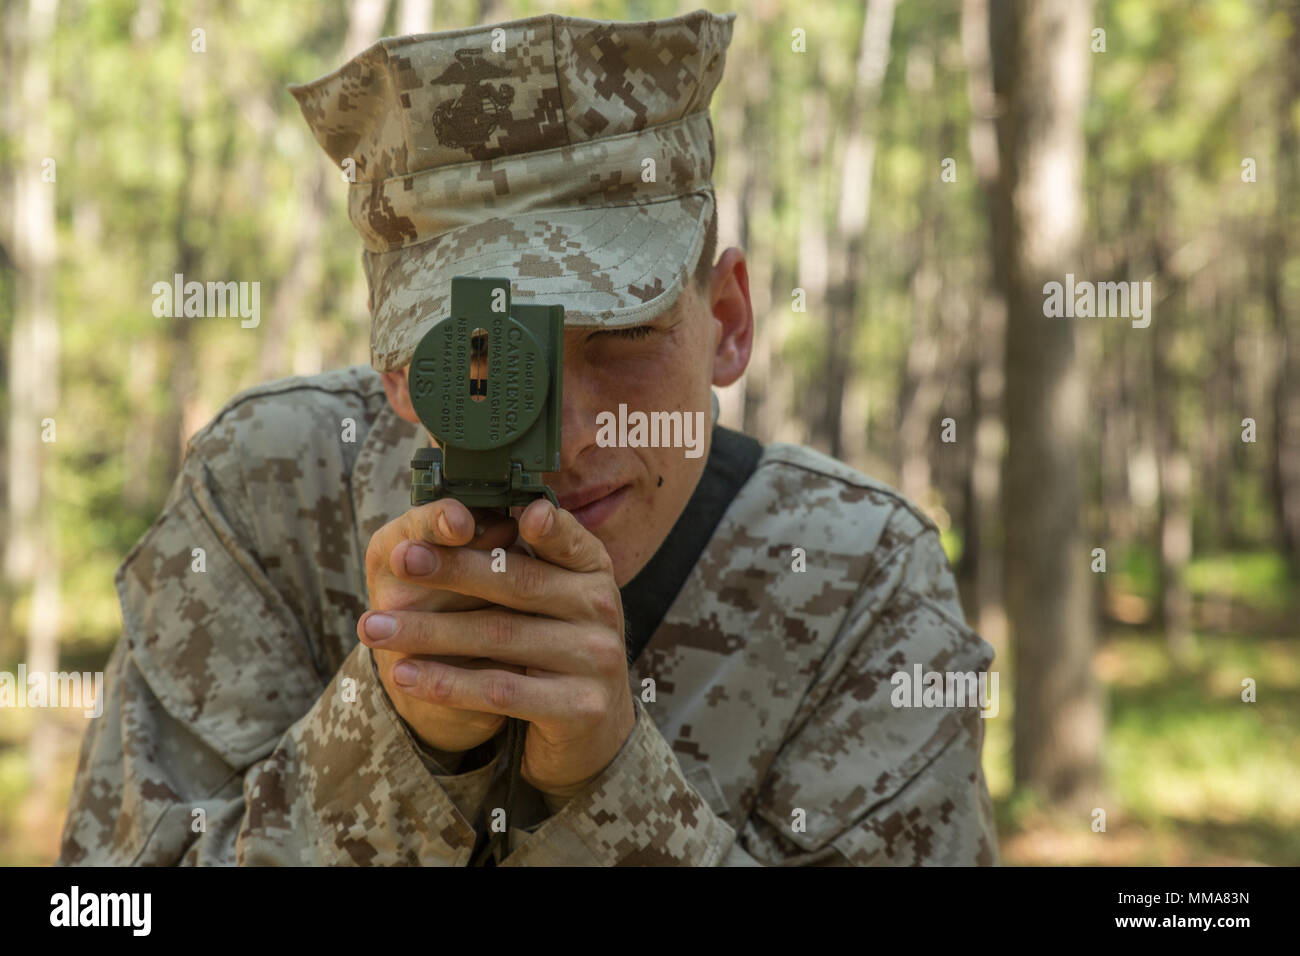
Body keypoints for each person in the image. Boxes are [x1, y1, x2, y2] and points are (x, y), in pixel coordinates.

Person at [59, 8, 998, 866]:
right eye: (482, 358)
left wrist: (613, 790)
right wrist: (396, 746)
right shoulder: (271, 496)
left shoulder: (858, 581)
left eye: (625, 335)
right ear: (395, 369)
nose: (571, 435)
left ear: (729, 319)